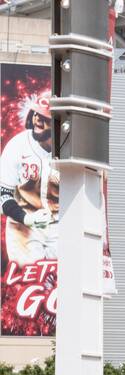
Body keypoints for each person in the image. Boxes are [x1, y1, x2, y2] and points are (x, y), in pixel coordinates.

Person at [0, 90, 59, 264]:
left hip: (60, 226)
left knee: (63, 283)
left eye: (45, 117)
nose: (38, 120)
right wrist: (26, 218)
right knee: (30, 280)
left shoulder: (69, 148)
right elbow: (2, 195)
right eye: (36, 114)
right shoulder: (17, 145)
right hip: (23, 225)